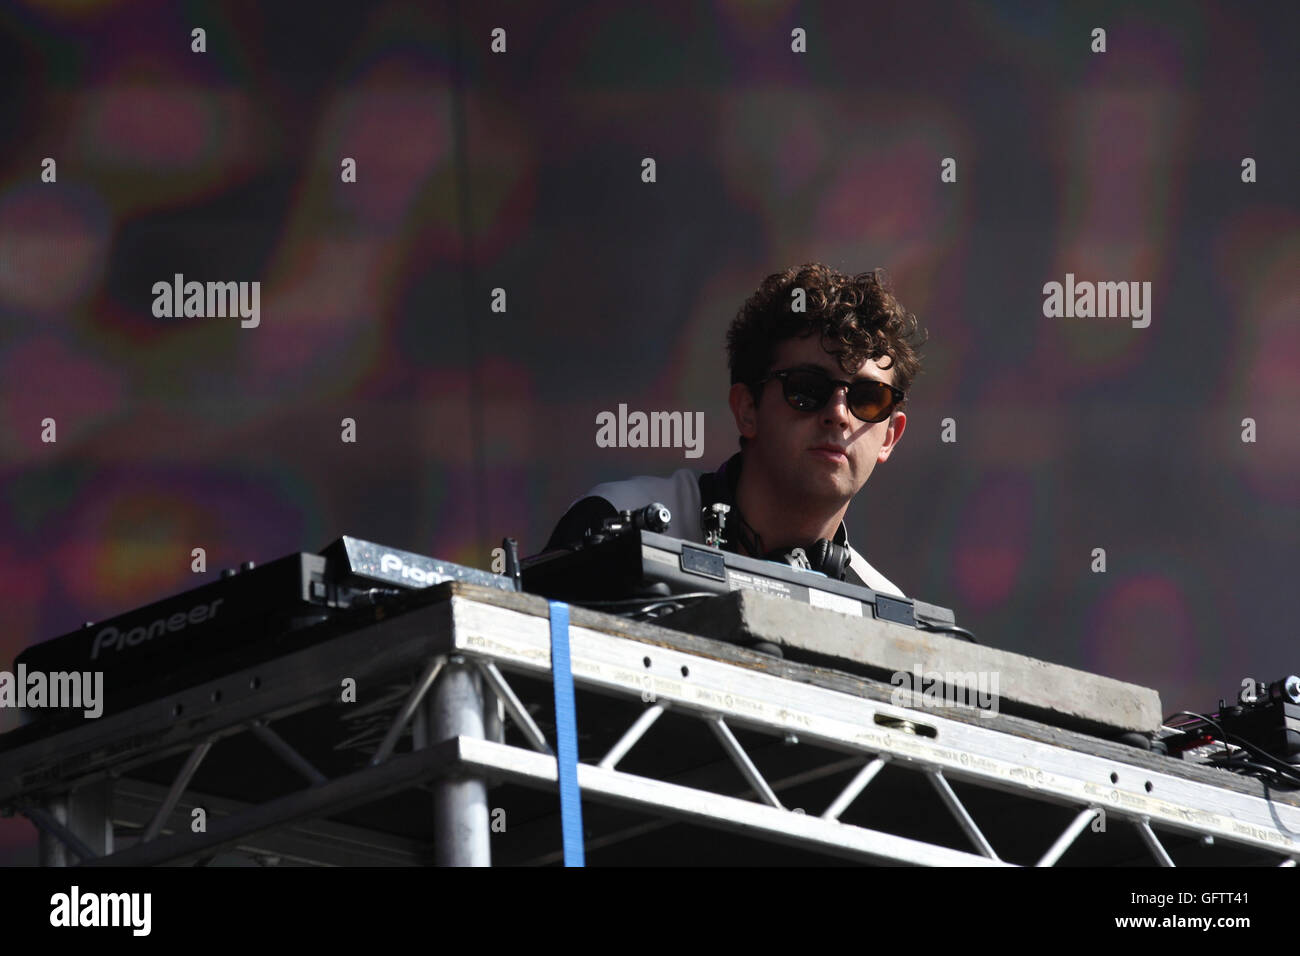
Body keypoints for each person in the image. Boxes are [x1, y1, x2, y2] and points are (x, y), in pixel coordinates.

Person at [543, 262, 927, 599]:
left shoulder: (888, 616)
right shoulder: (615, 527)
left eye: (868, 398)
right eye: (807, 389)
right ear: (747, 410)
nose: (839, 414)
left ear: (890, 435)